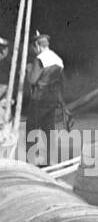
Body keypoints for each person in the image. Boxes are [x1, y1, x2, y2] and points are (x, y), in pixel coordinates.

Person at [25, 33, 66, 163]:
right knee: (48, 129)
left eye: (33, 47)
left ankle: (31, 160)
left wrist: (28, 70)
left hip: (39, 98)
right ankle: (51, 160)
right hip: (52, 99)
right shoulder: (58, 59)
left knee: (32, 128)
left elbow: (32, 80)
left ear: (37, 45)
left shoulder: (40, 59)